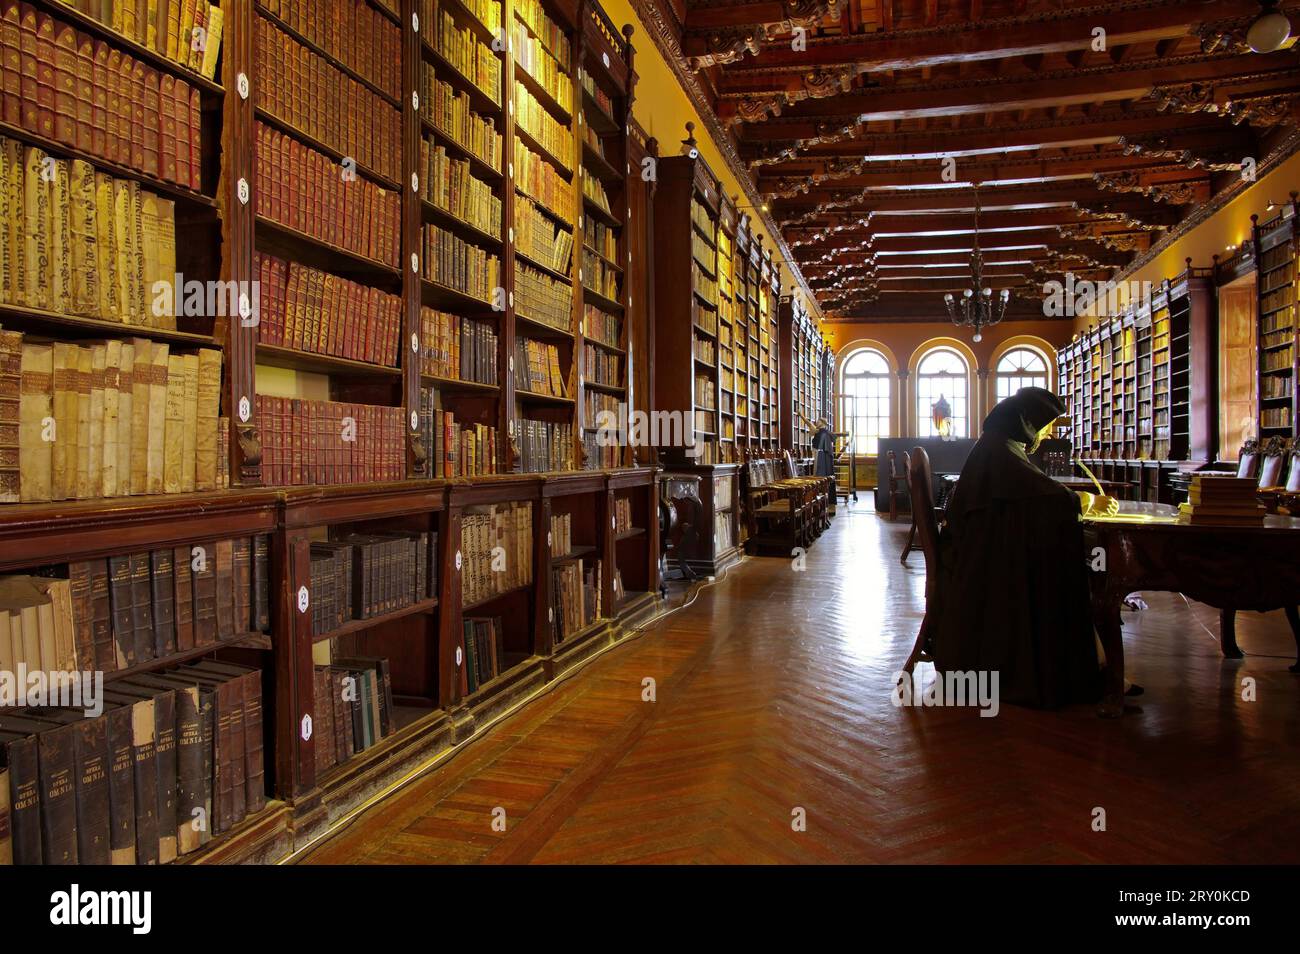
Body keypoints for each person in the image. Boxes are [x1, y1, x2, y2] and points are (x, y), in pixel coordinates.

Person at [930, 386, 1120, 709]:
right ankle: (1071, 665)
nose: (1045, 436)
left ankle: (1094, 661)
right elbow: (1041, 497)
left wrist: (1071, 501)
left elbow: (1029, 494)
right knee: (1060, 567)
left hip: (982, 554)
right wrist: (1083, 501)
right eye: (1043, 427)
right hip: (984, 563)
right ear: (1027, 422)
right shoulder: (1000, 450)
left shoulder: (1000, 445)